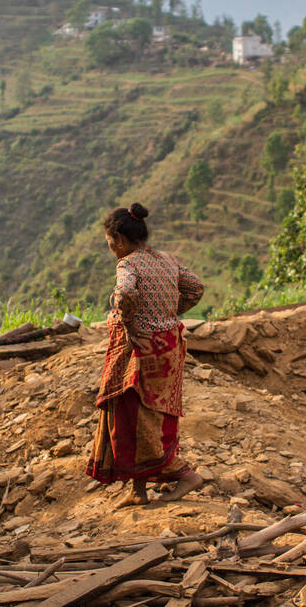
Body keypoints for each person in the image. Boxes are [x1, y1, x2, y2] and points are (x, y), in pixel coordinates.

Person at [87, 202, 206, 507]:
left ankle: (186, 475)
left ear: (121, 241)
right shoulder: (167, 260)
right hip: (169, 347)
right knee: (148, 416)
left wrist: (128, 322)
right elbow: (195, 288)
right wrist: (171, 312)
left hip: (143, 352)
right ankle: (138, 491)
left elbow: (125, 293)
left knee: (138, 421)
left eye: (112, 245)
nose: (113, 250)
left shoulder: (128, 264)